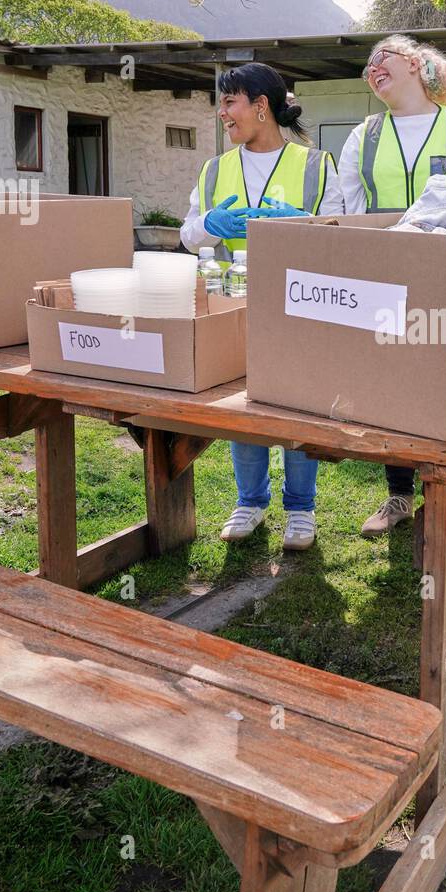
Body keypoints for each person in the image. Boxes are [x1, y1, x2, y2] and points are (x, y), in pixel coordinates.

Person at [181, 62, 345, 551]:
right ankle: (250, 501)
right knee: (243, 406)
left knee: (299, 405)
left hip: (301, 307)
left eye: (229, 102)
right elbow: (190, 236)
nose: (222, 114)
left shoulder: (316, 165)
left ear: (260, 106)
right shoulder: (214, 168)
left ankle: (301, 508)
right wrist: (212, 221)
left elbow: (342, 234)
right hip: (234, 305)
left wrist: (304, 223)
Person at [338, 35, 446, 536]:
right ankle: (400, 495)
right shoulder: (364, 134)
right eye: (368, 64)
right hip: (384, 276)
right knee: (391, 386)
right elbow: (346, 208)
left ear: (418, 65)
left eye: (383, 57)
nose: (372, 67)